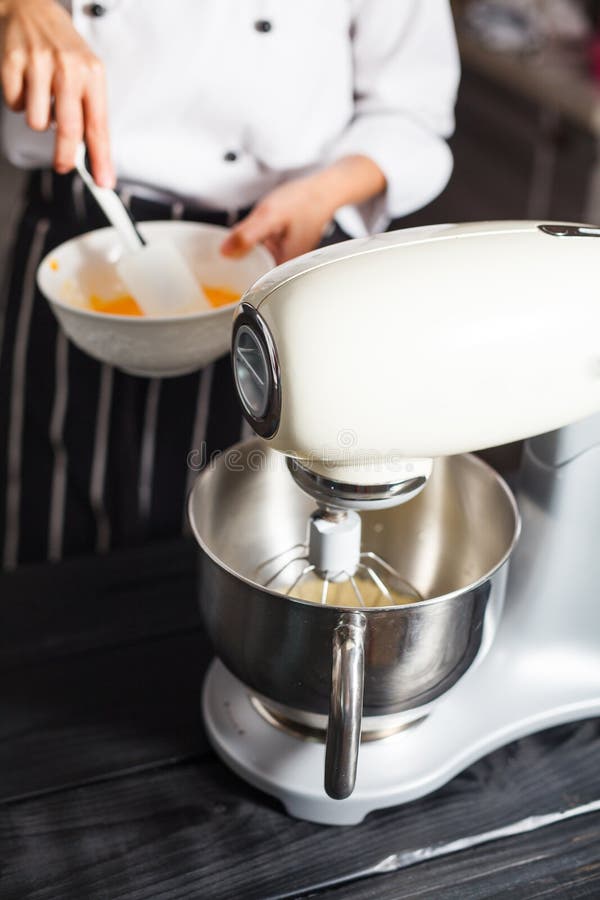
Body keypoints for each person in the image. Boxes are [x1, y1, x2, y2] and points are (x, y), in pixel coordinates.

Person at [0, 0, 460, 569]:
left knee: (241, 541)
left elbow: (412, 109)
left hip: (277, 249)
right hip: (82, 236)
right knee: (46, 533)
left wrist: (324, 194)